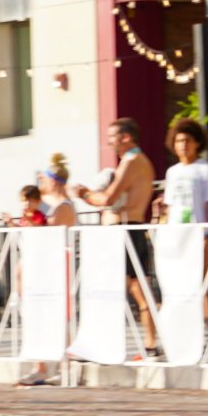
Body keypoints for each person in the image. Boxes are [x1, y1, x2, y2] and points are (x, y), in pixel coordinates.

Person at [75, 116, 162, 360]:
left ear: (126, 137)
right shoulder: (140, 161)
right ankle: (152, 343)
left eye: (112, 137)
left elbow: (108, 200)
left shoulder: (131, 161)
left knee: (108, 291)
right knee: (139, 290)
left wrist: (83, 193)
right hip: (131, 229)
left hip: (122, 231)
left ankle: (96, 345)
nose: (109, 142)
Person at [160, 118, 208, 226]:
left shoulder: (207, 169)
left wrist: (207, 233)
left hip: (196, 229)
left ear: (197, 143)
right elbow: (169, 204)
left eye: (187, 140)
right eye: (179, 141)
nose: (183, 145)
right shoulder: (172, 171)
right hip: (175, 229)